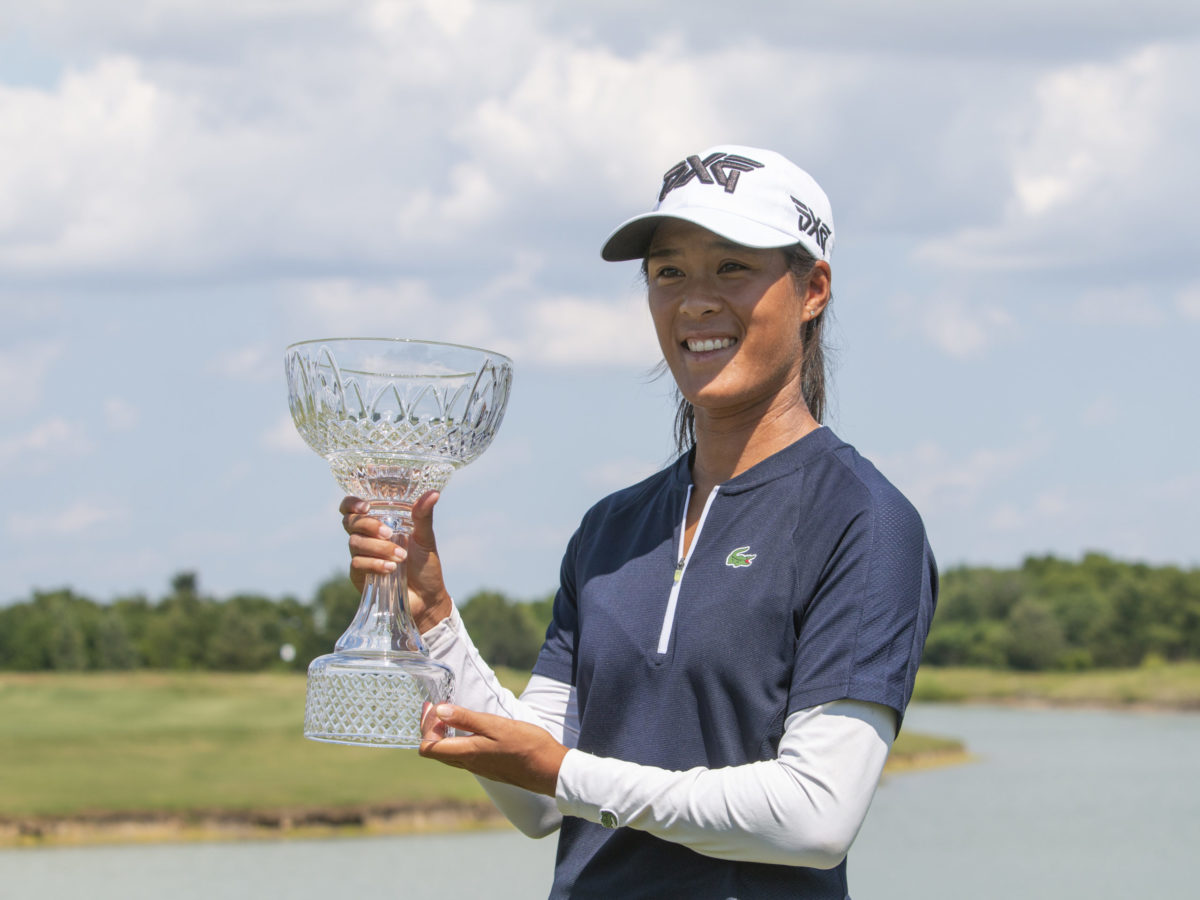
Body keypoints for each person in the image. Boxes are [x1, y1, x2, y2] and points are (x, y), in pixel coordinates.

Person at [340, 145, 937, 899]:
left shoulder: (864, 521)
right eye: (668, 272)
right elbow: (536, 800)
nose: (694, 301)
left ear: (812, 289)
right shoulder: (610, 529)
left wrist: (563, 772)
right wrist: (430, 616)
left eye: (732, 267)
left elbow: (815, 818)